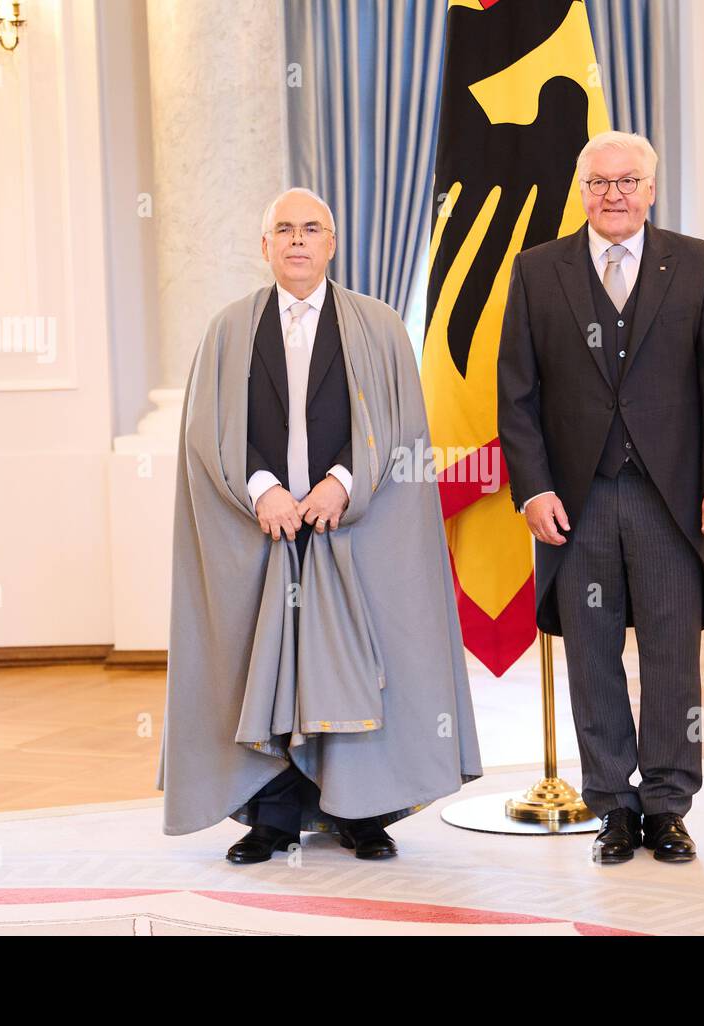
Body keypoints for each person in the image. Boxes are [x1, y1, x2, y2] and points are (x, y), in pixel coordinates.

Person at [157, 187, 482, 863]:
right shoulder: (228, 330)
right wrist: (263, 490)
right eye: (284, 229)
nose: (298, 240)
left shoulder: (380, 325)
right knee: (265, 663)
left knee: (358, 663)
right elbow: (207, 431)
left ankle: (358, 812)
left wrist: (342, 483)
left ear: (332, 244)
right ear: (266, 246)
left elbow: (399, 426)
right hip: (264, 529)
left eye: (312, 229)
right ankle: (272, 818)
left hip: (354, 529)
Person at [497, 132, 704, 864]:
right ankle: (611, 806)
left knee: (673, 656)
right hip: (577, 504)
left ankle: (668, 806)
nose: (613, 193)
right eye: (599, 182)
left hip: (670, 501)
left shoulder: (697, 263)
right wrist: (533, 488)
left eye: (628, 180)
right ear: (580, 190)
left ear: (651, 189)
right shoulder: (538, 271)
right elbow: (517, 396)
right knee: (593, 658)